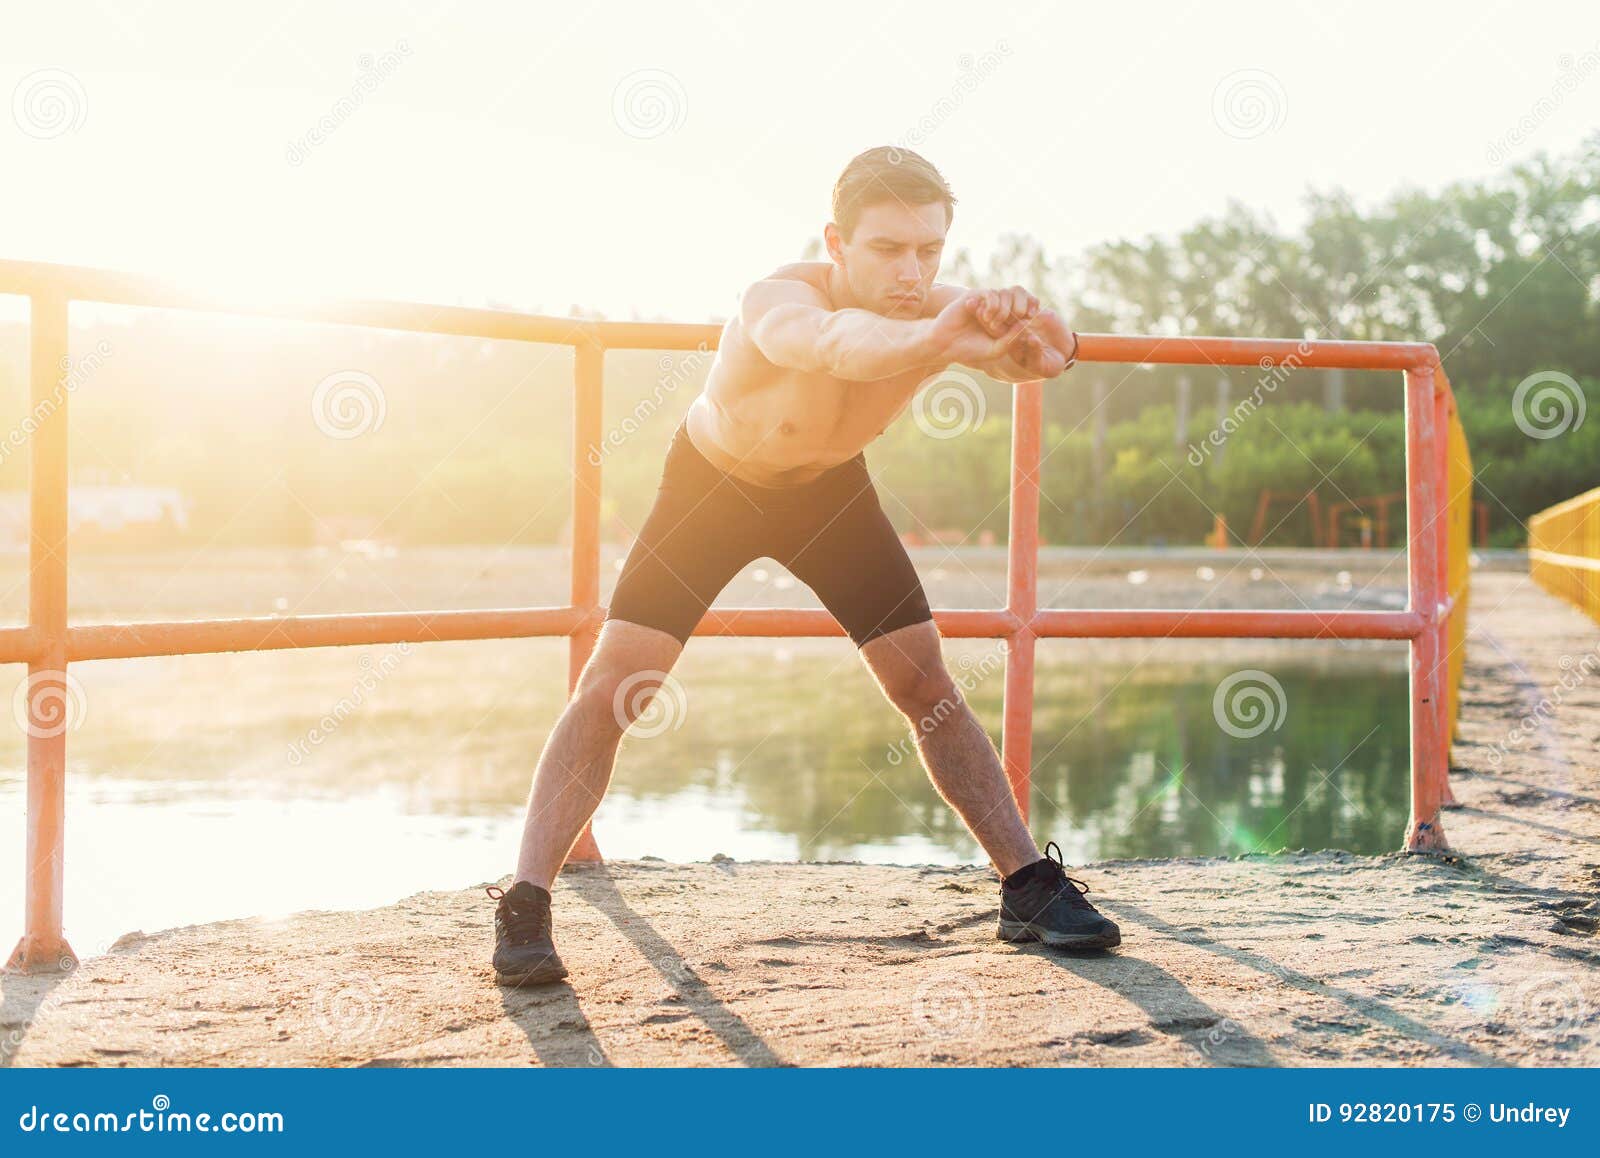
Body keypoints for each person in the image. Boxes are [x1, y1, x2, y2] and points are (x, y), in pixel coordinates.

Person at [486, 146, 1120, 987]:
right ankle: (526, 903)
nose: (912, 269)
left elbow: (1043, 357)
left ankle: (1027, 888)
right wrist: (940, 334)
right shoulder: (777, 300)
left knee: (926, 684)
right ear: (836, 242)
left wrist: (1039, 327)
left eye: (929, 250)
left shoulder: (939, 308)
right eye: (889, 248)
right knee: (613, 687)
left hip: (829, 495)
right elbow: (832, 345)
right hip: (712, 488)